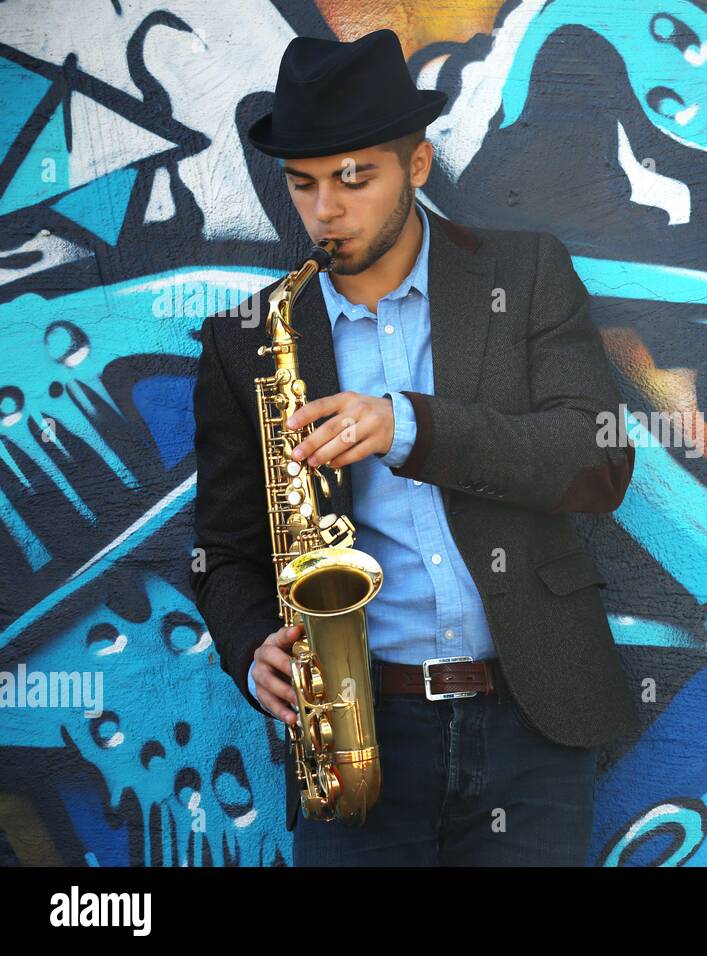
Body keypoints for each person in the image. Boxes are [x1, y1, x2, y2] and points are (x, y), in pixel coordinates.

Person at [189, 28, 638, 866]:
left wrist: (412, 427)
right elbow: (224, 549)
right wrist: (252, 648)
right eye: (305, 184)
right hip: (356, 732)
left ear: (418, 165)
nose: (327, 211)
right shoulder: (244, 342)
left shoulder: (528, 273)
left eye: (355, 179)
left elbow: (597, 458)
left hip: (531, 722)